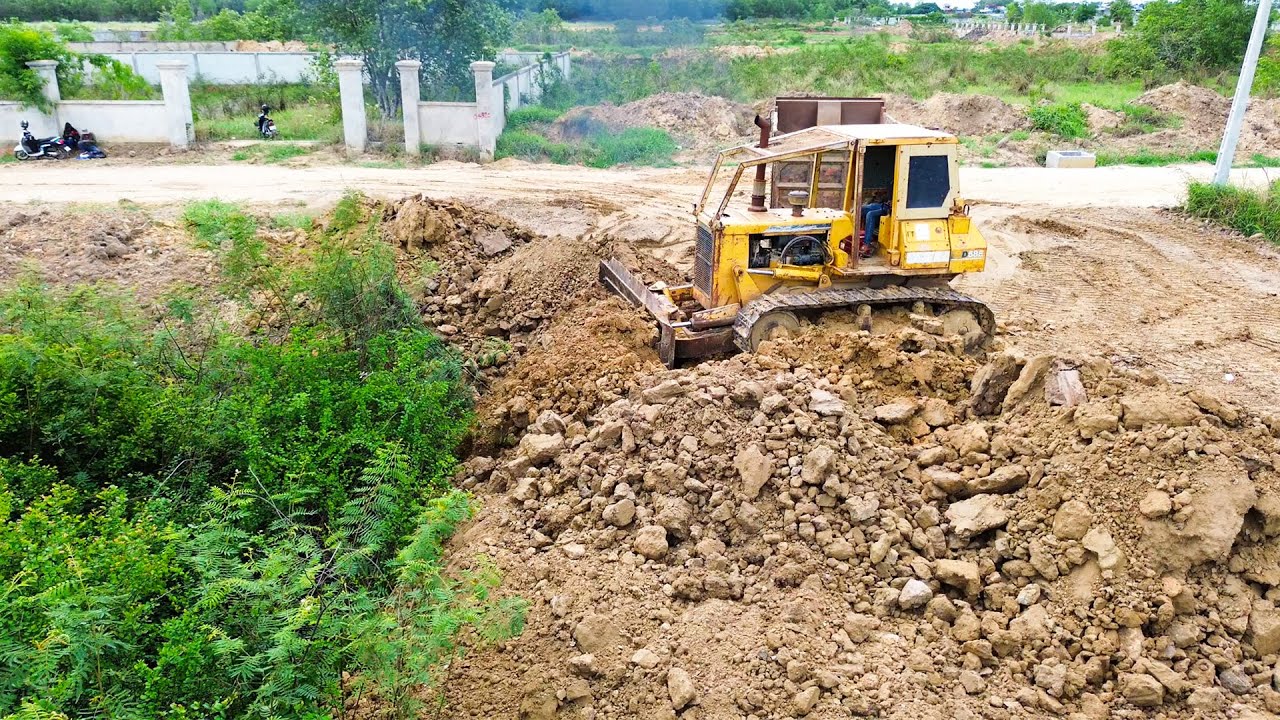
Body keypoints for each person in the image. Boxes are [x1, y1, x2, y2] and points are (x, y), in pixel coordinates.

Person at [860, 191, 890, 258]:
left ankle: (867, 244)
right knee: (861, 208)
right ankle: (857, 236)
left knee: (870, 214)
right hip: (883, 204)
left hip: (889, 207)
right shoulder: (890, 183)